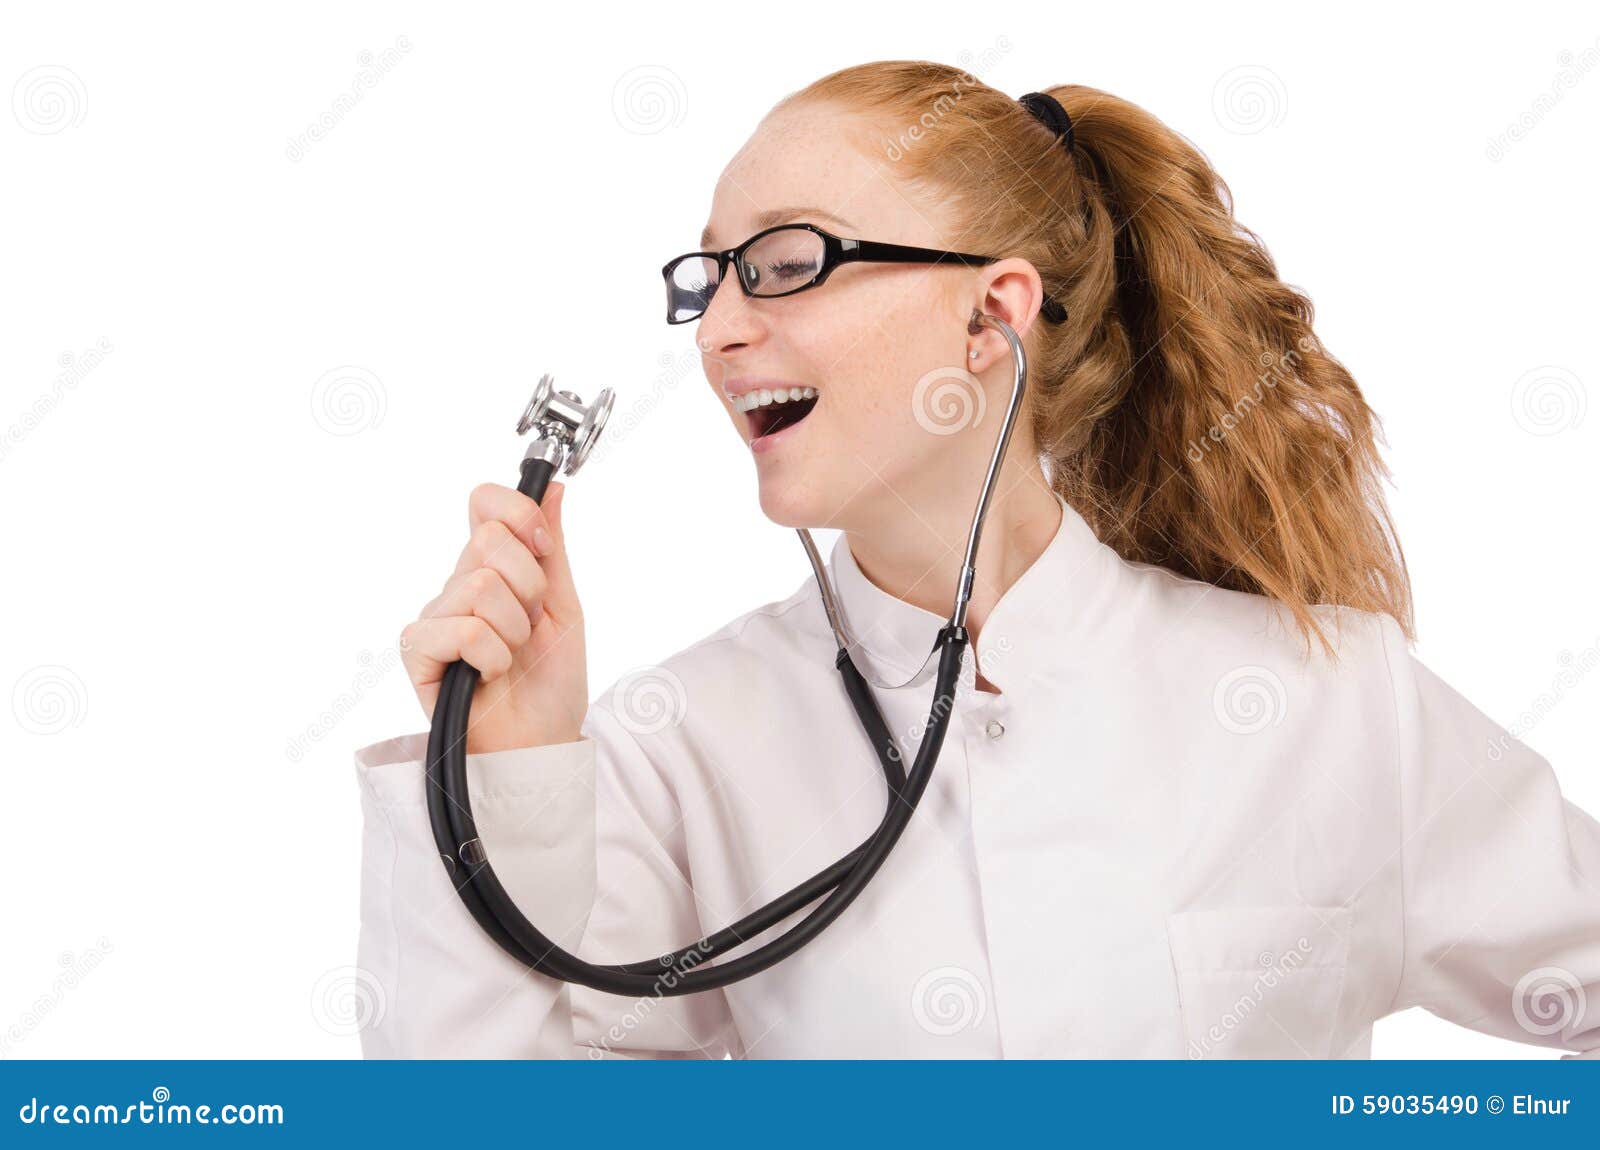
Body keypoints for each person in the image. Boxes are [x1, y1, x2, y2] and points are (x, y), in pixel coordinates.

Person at [352, 61, 1600, 1059]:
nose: (724, 329)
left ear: (992, 312)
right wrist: (508, 772)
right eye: (712, 280)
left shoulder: (1326, 704)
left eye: (787, 263)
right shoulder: (681, 746)